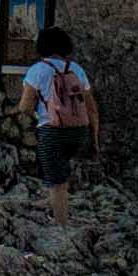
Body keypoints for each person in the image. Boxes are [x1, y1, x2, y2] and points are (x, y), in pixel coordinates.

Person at [18, 26, 99, 226]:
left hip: (52, 130)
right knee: (61, 168)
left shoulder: (38, 70)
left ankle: (61, 226)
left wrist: (39, 115)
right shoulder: (76, 69)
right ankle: (52, 201)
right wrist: (94, 138)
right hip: (79, 130)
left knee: (57, 182)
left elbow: (25, 106)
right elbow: (91, 108)